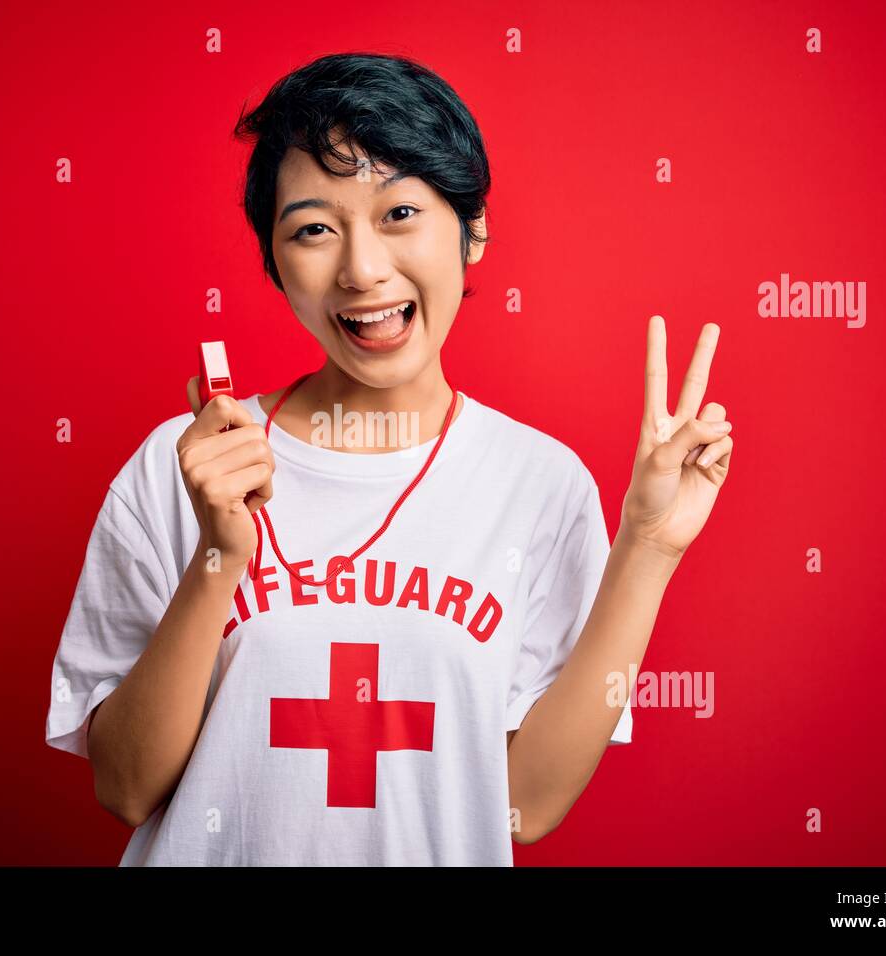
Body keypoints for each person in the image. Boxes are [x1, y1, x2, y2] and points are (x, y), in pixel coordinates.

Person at [44, 52, 734, 865]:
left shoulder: (540, 485)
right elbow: (125, 787)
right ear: (276, 262)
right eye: (313, 229)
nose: (363, 269)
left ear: (472, 228)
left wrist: (648, 551)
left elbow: (523, 807)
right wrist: (219, 557)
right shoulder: (181, 466)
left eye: (400, 213)